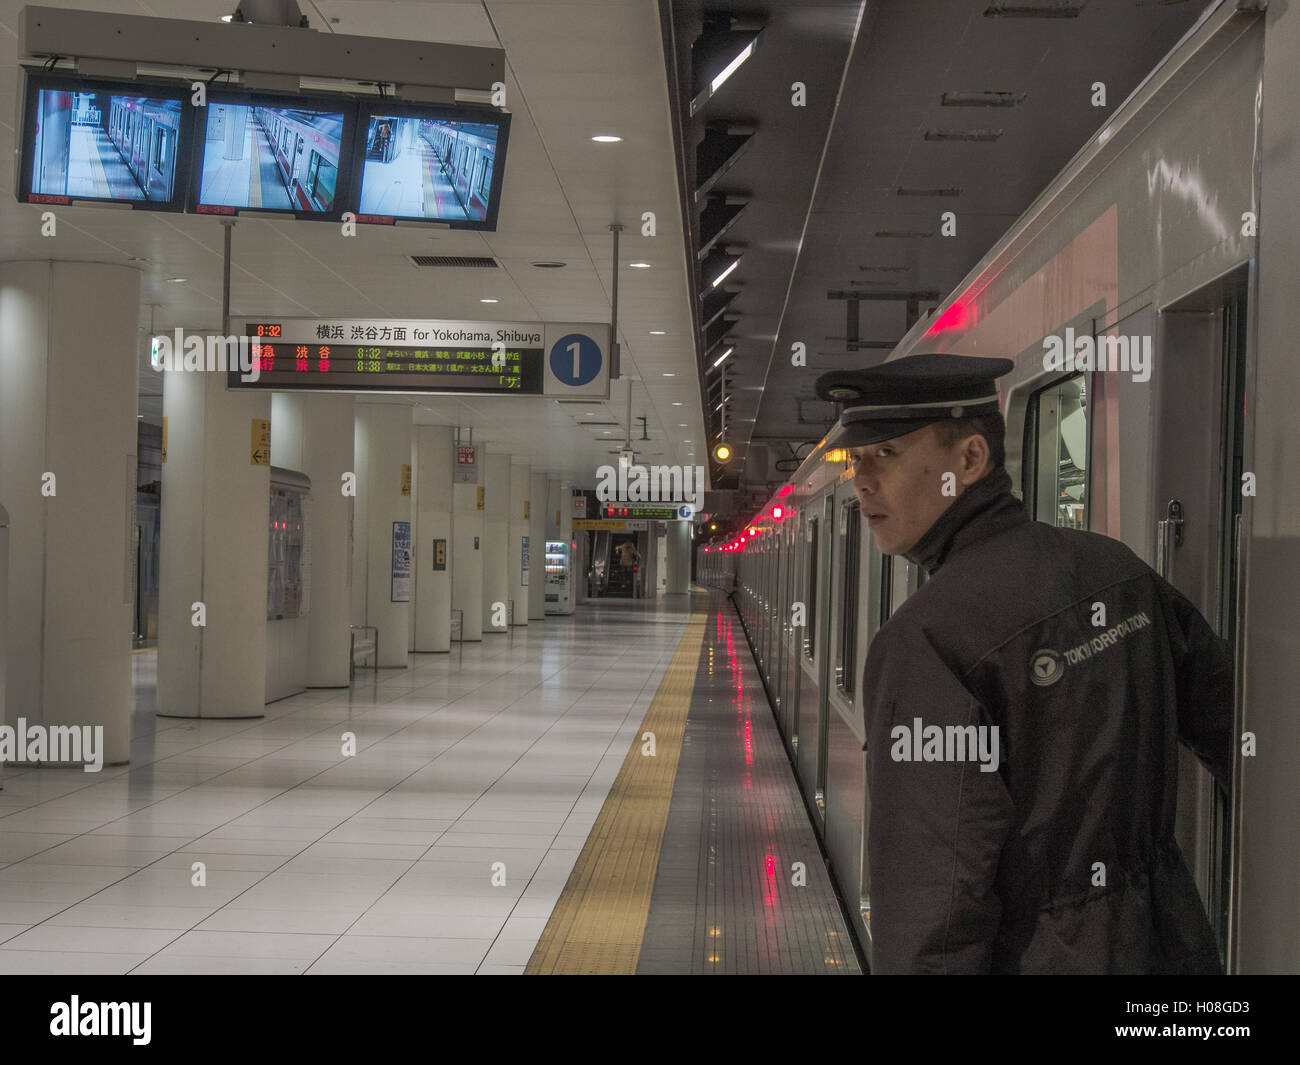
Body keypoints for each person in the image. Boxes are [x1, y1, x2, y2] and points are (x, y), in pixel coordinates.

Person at [814, 353, 1234, 975]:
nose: (862, 481)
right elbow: (1236, 730)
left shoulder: (927, 641)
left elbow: (935, 909)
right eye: (857, 459)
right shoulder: (1118, 571)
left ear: (970, 460)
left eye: (888, 454)